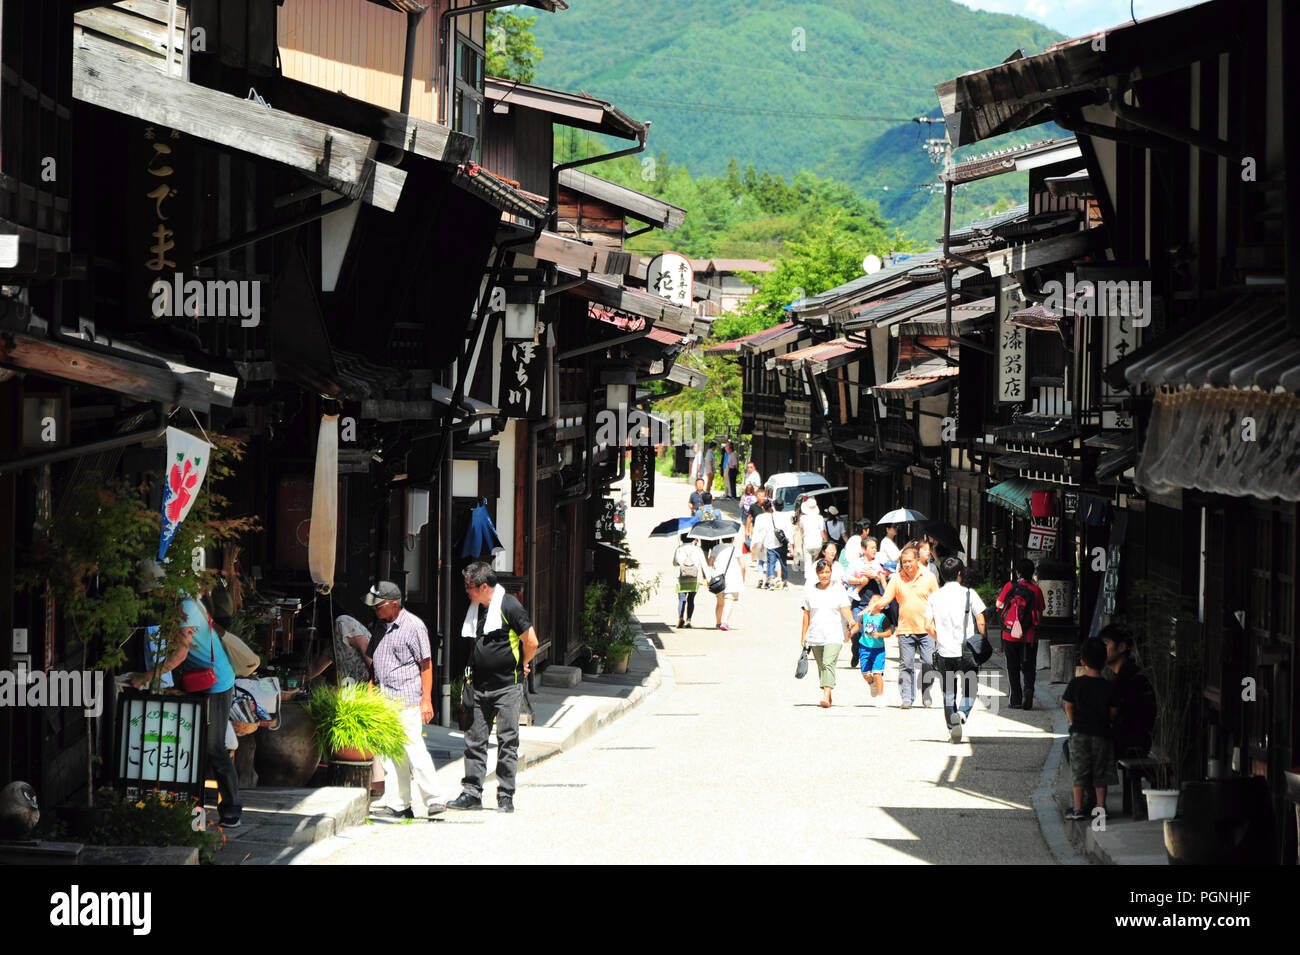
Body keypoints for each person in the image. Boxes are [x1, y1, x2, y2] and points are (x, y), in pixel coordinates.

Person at [131, 566, 242, 827]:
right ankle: (194, 804)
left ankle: (232, 809)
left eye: (151, 592)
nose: (151, 597)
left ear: (159, 588)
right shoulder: (179, 601)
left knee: (214, 746)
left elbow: (180, 655)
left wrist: (147, 677)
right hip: (199, 679)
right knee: (198, 743)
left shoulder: (185, 607)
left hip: (216, 682)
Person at [449, 562, 539, 813]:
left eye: (469, 586)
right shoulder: (475, 608)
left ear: (484, 586)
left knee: (507, 740)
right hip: (478, 685)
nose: (466, 591)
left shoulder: (509, 605)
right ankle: (471, 793)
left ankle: (505, 794)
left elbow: (531, 641)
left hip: (507, 686)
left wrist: (523, 663)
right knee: (474, 740)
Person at [360, 581, 446, 820]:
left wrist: (426, 700)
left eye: (379, 606)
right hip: (384, 699)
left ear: (394, 604)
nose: (375, 610)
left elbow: (426, 664)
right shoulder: (379, 626)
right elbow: (374, 664)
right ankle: (400, 805)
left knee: (414, 749)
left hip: (407, 698)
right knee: (391, 754)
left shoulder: (414, 626)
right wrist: (370, 692)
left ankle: (435, 799)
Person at [868, 545, 939, 708]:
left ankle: (926, 692)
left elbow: (938, 601)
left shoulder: (928, 577)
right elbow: (886, 598)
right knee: (906, 665)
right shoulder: (897, 579)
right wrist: (873, 607)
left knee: (928, 662)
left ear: (917, 560)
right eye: (904, 562)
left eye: (909, 561)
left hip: (927, 629)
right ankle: (907, 698)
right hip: (905, 629)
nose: (906, 564)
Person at [925, 557, 987, 743]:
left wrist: (940, 639)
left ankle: (953, 728)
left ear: (942, 575)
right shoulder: (969, 594)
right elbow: (981, 620)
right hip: (967, 650)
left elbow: (927, 625)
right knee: (970, 687)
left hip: (945, 652)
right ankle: (961, 713)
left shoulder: (934, 597)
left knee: (948, 691)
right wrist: (981, 641)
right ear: (960, 574)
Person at [1062, 637, 1119, 821]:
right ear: (1104, 662)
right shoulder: (1109, 687)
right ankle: (1100, 808)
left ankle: (1078, 808)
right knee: (1100, 772)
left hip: (1079, 733)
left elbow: (1068, 705)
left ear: (1082, 661)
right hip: (1102, 734)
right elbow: (1113, 710)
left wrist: (1074, 722)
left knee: (1079, 771)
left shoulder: (1076, 684)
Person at [801, 559, 860, 707]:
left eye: (827, 572)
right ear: (817, 574)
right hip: (816, 635)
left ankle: (825, 696)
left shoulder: (838, 589)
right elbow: (806, 614)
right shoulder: (810, 591)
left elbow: (845, 607)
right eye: (821, 572)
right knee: (822, 667)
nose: (824, 575)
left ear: (831, 572)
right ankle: (828, 691)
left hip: (834, 634)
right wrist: (803, 635)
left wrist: (851, 621)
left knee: (828, 663)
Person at [997, 558, 1046, 710]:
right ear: (1032, 574)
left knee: (1012, 667)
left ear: (1017, 572)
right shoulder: (1036, 590)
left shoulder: (1010, 586)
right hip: (1029, 636)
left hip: (1010, 634)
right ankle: (1029, 688)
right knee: (1029, 666)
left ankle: (1015, 700)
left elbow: (998, 605)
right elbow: (1038, 615)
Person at [1100, 624, 1156, 758]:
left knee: (1075, 745)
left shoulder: (1126, 677)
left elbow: (1109, 716)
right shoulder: (1130, 672)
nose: (1101, 650)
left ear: (1122, 647)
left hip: (1129, 743)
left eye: (1105, 644)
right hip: (1137, 740)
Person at [856, 599, 893, 707]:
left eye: (875, 603)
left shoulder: (883, 618)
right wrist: (849, 633)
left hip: (878, 650)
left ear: (881, 606)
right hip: (864, 648)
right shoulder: (864, 616)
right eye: (870, 602)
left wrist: (880, 634)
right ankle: (871, 683)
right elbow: (857, 626)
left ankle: (881, 697)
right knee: (866, 674)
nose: (871, 604)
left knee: (877, 674)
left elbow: (889, 632)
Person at [709, 536, 744, 630]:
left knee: (720, 603)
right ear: (733, 539)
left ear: (721, 539)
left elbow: (710, 563)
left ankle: (718, 623)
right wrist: (743, 578)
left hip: (718, 579)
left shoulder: (716, 548)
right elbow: (743, 566)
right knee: (729, 601)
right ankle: (725, 622)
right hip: (733, 579)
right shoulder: (736, 549)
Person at [673, 532, 707, 628]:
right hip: (694, 578)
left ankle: (680, 617)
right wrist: (708, 578)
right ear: (692, 539)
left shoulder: (679, 549)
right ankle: (688, 620)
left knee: (682, 599)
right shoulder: (697, 549)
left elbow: (674, 563)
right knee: (691, 599)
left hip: (681, 578)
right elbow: (704, 564)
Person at [769, 500, 793, 589]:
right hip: (783, 543)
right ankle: (785, 582)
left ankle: (771, 582)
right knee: (783, 563)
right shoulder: (786, 516)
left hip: (771, 543)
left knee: (771, 563)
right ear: (783, 506)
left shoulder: (770, 516)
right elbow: (790, 531)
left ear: (774, 506)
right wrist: (791, 545)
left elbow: (768, 530)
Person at [798, 498, 826, 574]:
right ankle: (816, 576)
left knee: (807, 562)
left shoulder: (803, 518)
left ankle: (808, 578)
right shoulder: (820, 518)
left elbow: (800, 530)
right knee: (816, 561)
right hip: (818, 542)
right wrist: (826, 541)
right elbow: (822, 532)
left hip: (807, 542)